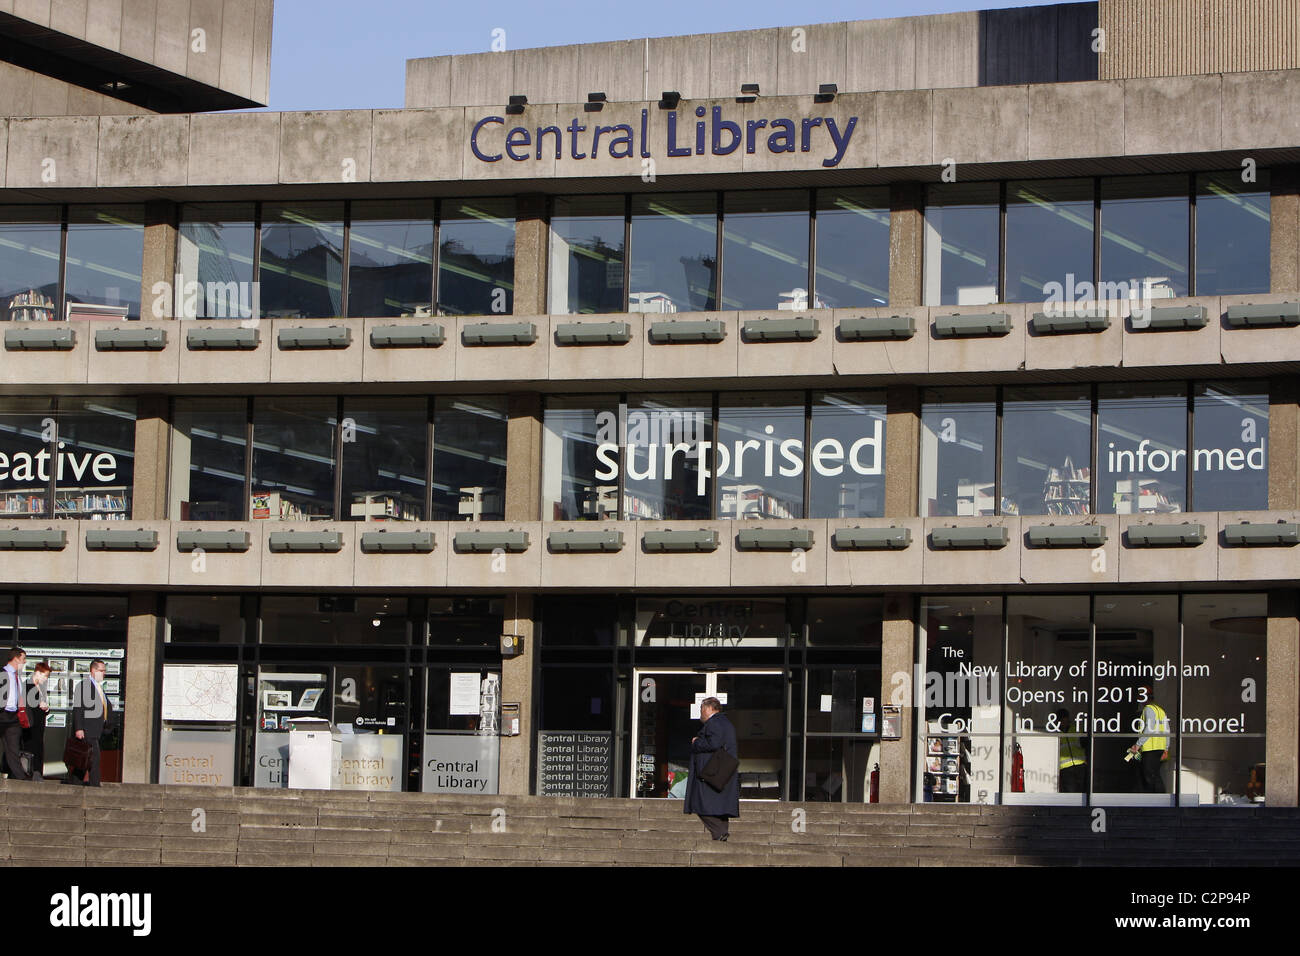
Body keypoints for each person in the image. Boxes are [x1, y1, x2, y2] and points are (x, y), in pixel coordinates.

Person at [683, 697, 739, 841]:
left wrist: (696, 742)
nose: (700, 712)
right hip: (720, 772)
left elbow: (713, 743)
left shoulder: (715, 723)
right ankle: (721, 834)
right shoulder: (725, 722)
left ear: (709, 708)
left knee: (698, 803)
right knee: (720, 807)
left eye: (701, 709)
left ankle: (719, 833)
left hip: (711, 772)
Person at [71, 660, 115, 787]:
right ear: (93, 671)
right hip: (87, 729)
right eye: (102, 670)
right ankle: (95, 786)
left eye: (104, 670)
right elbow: (78, 708)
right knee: (94, 759)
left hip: (97, 730)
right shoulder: (84, 685)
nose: (104, 673)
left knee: (84, 760)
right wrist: (79, 728)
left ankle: (74, 783)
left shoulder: (98, 687)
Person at [1129, 687, 1169, 793]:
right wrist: (1166, 748)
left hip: (1150, 748)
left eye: (1140, 698)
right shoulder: (1160, 710)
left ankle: (1154, 799)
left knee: (1149, 776)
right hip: (1159, 748)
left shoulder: (1148, 709)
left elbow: (1149, 729)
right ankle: (1160, 798)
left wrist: (1137, 745)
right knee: (1155, 775)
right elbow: (1167, 730)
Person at [0, 648, 30, 780]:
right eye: (23, 659)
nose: (25, 662)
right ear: (16, 659)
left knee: (13, 749)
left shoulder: (17, 677)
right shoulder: (2, 673)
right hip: (1, 714)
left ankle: (20, 779)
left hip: (13, 717)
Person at [23, 662, 51, 781]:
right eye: (45, 675)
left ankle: (37, 772)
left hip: (39, 725)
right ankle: (30, 773)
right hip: (30, 725)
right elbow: (25, 706)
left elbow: (43, 706)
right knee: (31, 748)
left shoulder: (41, 687)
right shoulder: (27, 686)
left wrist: (46, 709)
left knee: (39, 748)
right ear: (38, 673)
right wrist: (39, 706)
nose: (46, 679)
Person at [1054, 709, 1087, 793]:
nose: (1065, 722)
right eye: (1062, 720)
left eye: (1066, 719)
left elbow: (1084, 743)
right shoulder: (1055, 733)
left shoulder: (1075, 730)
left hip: (1080, 765)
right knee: (1071, 793)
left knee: (1082, 792)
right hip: (1066, 768)